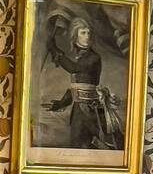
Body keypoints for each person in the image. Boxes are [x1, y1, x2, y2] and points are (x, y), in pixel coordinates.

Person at [44, 15, 124, 150]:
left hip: (93, 111)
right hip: (79, 111)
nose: (87, 36)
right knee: (78, 147)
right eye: (83, 33)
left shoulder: (93, 57)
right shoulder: (78, 57)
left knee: (108, 145)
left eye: (88, 33)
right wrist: (61, 103)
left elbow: (74, 68)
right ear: (75, 36)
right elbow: (76, 88)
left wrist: (54, 48)